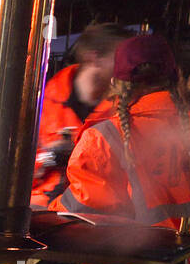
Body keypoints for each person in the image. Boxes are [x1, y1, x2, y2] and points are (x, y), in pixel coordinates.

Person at [51, 32, 190, 239]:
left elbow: (75, 214)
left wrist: (45, 211)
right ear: (176, 78)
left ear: (116, 83)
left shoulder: (101, 139)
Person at [30, 23, 130, 209]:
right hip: (44, 205)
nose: (127, 67)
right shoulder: (44, 103)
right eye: (120, 59)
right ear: (95, 57)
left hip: (94, 207)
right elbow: (19, 169)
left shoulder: (123, 107)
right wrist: (51, 156)